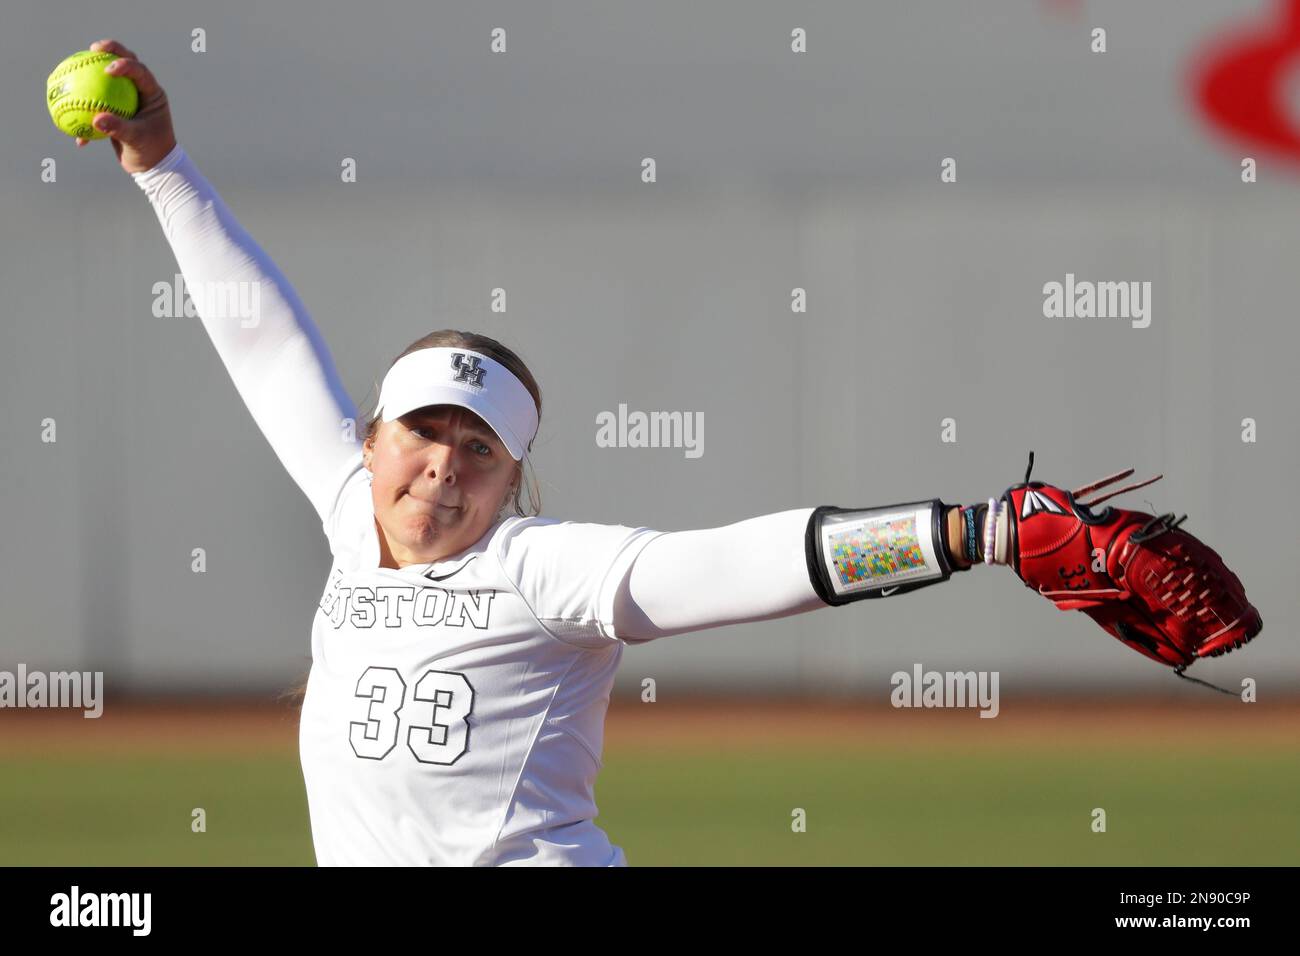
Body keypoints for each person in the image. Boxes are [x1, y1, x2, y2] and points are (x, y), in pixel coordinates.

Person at [85, 38, 1031, 866]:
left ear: (511, 482)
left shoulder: (536, 567)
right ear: (372, 440)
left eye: (480, 449)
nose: (445, 463)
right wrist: (162, 166)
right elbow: (263, 343)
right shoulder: (348, 511)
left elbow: (739, 563)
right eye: (422, 430)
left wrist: (974, 532)